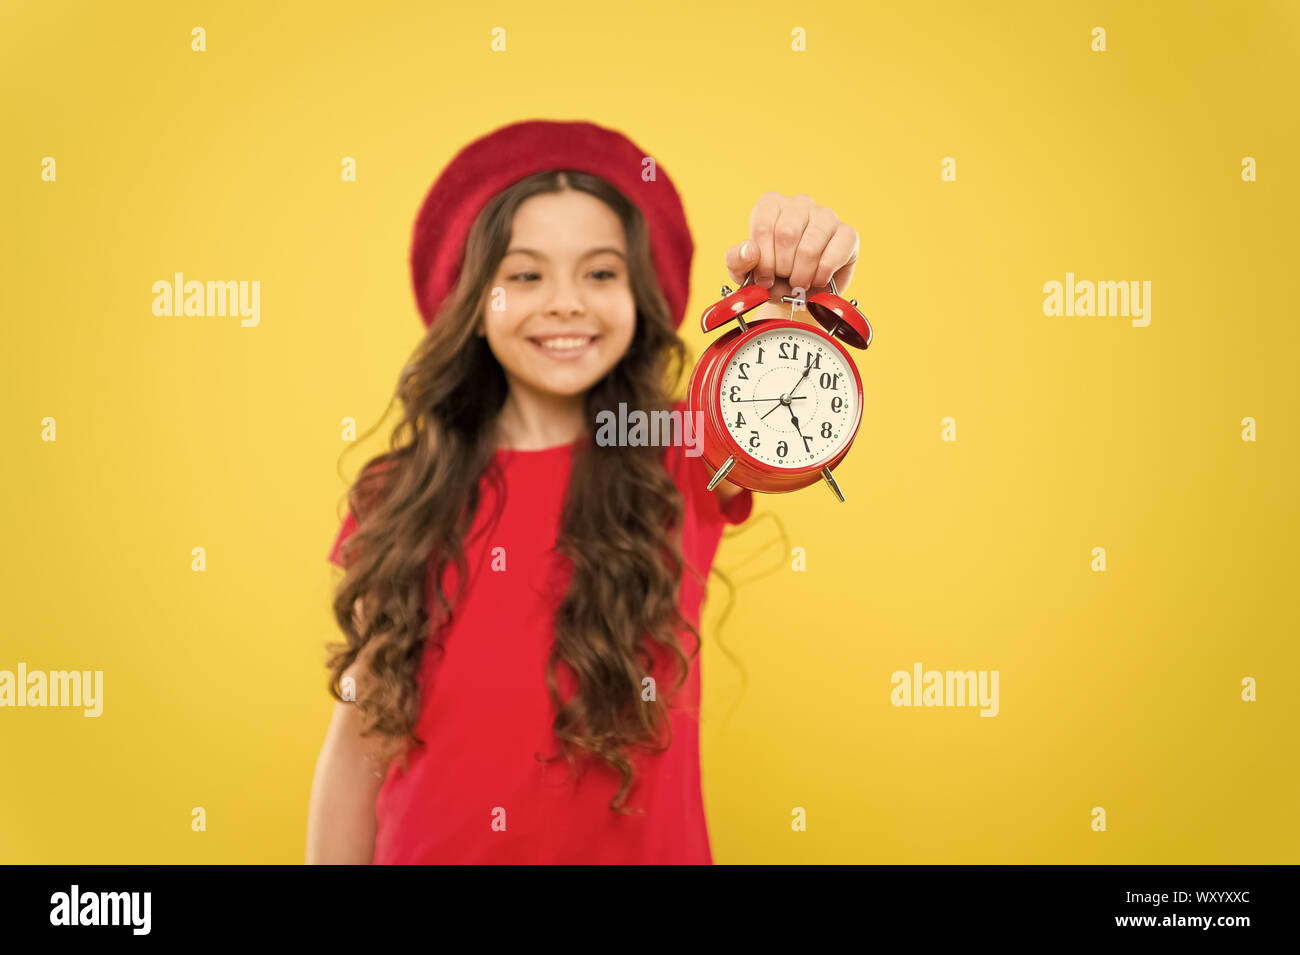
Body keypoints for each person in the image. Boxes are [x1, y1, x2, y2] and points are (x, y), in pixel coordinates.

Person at [305, 119, 860, 864]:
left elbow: (784, 407)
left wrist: (797, 297)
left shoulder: (674, 448)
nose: (565, 302)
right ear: (474, 298)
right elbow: (360, 743)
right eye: (525, 274)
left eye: (599, 273)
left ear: (639, 293)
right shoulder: (397, 492)